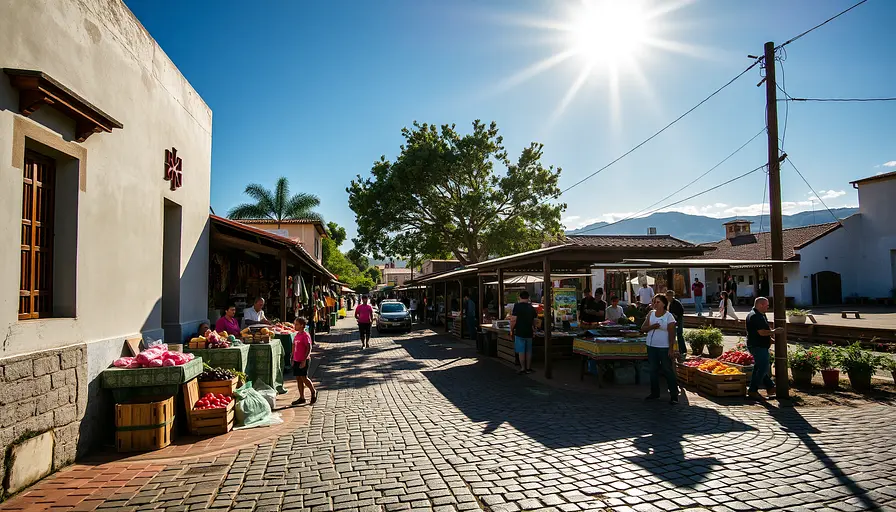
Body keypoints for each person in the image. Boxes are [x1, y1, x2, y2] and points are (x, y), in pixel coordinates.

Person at [641, 295, 679, 404]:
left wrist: (671, 349)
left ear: (663, 303)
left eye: (657, 302)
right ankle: (654, 393)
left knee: (667, 369)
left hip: (664, 347)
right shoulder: (650, 314)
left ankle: (674, 395)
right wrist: (652, 327)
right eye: (654, 302)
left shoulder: (669, 316)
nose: (655, 304)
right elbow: (643, 328)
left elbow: (672, 334)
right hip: (651, 345)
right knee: (653, 369)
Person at [745, 297, 781, 400]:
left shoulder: (760, 314)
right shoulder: (755, 316)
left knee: (759, 367)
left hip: (759, 344)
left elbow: (764, 330)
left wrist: (771, 339)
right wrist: (774, 331)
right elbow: (761, 332)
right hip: (757, 345)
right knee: (763, 367)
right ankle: (753, 390)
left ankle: (770, 387)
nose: (768, 307)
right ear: (760, 305)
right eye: (767, 305)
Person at [291, 318, 317, 406]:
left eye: (297, 324)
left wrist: (304, 360)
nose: (295, 326)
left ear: (302, 325)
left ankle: (313, 391)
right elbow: (294, 345)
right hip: (296, 359)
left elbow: (309, 347)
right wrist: (292, 356)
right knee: (298, 378)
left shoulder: (305, 335)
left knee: (304, 377)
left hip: (303, 359)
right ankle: (302, 397)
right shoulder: (297, 335)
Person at [509, 290, 537, 375]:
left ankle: (523, 368)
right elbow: (535, 320)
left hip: (520, 331)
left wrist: (511, 329)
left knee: (521, 350)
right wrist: (534, 329)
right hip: (529, 331)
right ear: (528, 298)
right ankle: (528, 368)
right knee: (528, 351)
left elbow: (513, 320)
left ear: (520, 297)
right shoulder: (531, 307)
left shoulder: (517, 306)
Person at [665, 290, 686, 360]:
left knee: (679, 334)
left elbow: (681, 311)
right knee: (671, 335)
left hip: (678, 320)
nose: (668, 297)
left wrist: (675, 315)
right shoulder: (666, 303)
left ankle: (682, 350)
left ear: (672, 296)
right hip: (670, 320)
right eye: (667, 296)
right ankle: (674, 349)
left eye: (669, 296)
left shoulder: (676, 302)